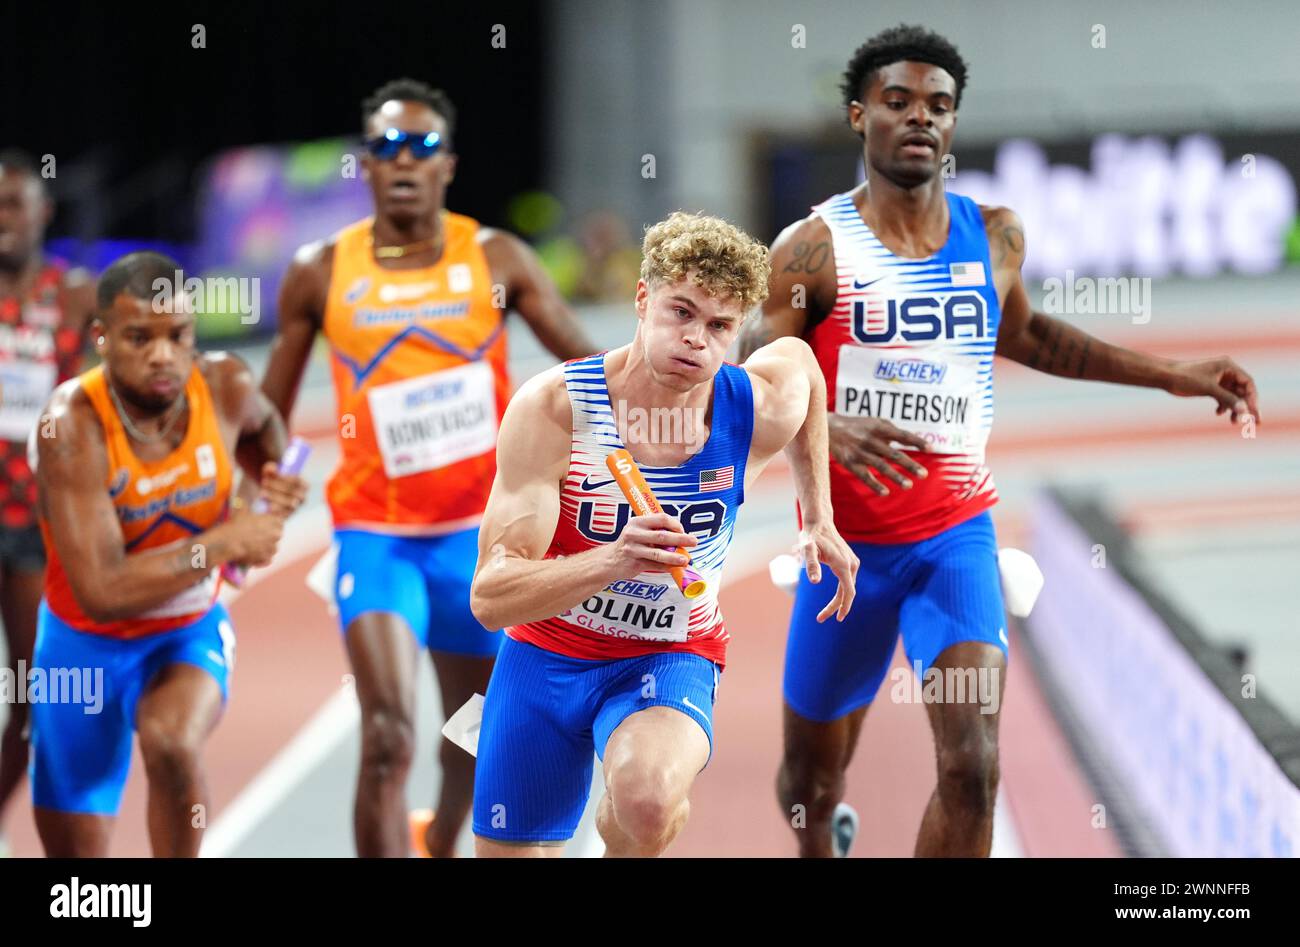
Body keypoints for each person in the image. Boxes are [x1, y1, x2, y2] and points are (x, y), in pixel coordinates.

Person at [741, 24, 1261, 858]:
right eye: (898, 101)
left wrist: (1171, 373)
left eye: (938, 107)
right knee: (808, 779)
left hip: (955, 540)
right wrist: (823, 425)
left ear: (952, 126)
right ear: (857, 115)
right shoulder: (813, 248)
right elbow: (746, 371)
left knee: (975, 766)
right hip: (842, 553)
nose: (920, 119)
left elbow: (1030, 338)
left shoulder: (995, 235)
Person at [264, 78, 598, 857]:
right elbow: (267, 412)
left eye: (420, 147)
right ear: (367, 166)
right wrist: (260, 481)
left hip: (483, 538)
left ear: (447, 163)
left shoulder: (494, 256)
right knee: (386, 730)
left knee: (474, 735)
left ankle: (439, 843)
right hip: (376, 538)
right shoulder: (319, 269)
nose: (403, 161)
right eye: (385, 147)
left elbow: (587, 367)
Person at [468, 211, 858, 857]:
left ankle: (619, 823)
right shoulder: (556, 408)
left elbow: (803, 367)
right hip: (545, 656)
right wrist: (613, 559)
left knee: (646, 800)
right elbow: (491, 597)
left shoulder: (752, 406)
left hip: (669, 653)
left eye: (719, 326)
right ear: (643, 300)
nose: (696, 340)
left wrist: (817, 514)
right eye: (681, 312)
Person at [30, 251, 307, 856]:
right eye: (139, 338)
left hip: (183, 632)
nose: (162, 354)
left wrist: (267, 493)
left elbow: (267, 433)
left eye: (177, 335)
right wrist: (222, 544)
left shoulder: (226, 383)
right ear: (101, 338)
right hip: (82, 649)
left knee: (172, 743)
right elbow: (100, 593)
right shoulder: (71, 427)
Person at [0, 149, 95, 853]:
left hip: (37, 524)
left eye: (12, 204)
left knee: (35, 696)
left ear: (43, 211)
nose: (1, 219)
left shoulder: (77, 296)